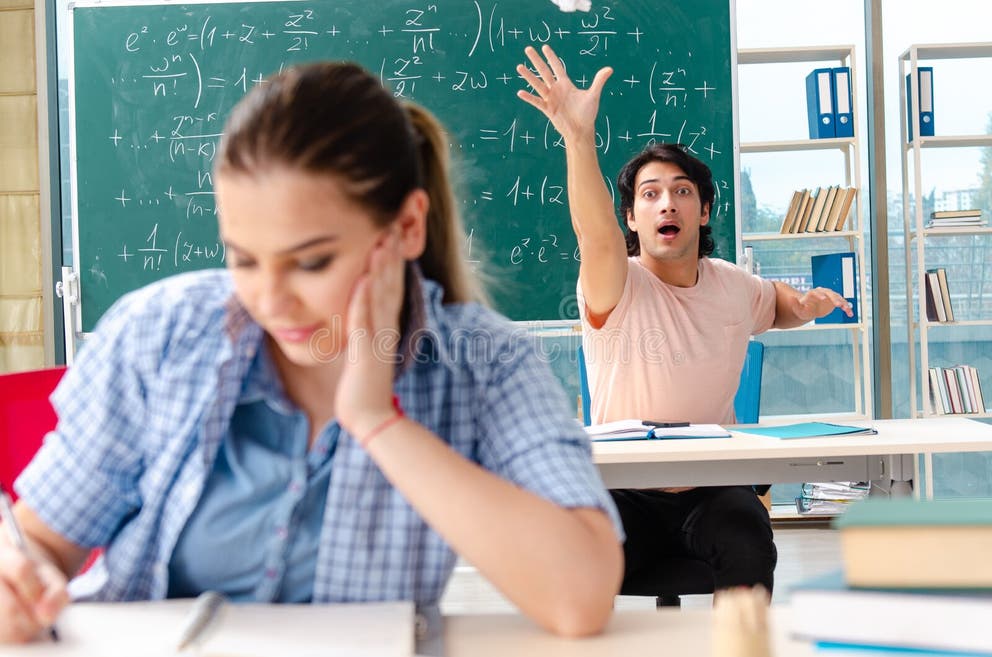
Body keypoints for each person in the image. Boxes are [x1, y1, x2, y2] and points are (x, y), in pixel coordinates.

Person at [0, 61, 624, 644]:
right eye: (243, 258)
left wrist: (377, 421)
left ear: (407, 227)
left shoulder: (490, 363)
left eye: (311, 262)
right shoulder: (156, 333)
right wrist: (19, 579)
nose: (270, 301)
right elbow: (44, 542)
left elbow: (581, 597)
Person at [515, 45, 854, 596]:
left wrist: (809, 305)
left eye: (681, 192)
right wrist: (577, 138)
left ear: (704, 210)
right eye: (649, 195)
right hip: (624, 491)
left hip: (713, 487)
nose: (666, 204)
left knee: (747, 534)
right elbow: (595, 238)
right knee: (573, 554)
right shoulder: (615, 283)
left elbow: (778, 305)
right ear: (631, 216)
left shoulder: (733, 284)